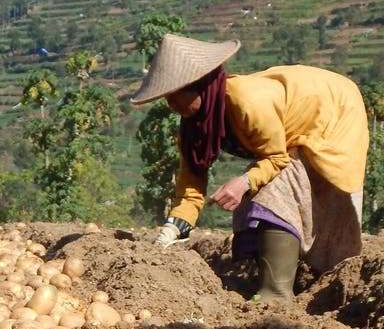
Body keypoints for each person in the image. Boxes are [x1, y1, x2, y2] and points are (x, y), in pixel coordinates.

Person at [131, 34, 369, 301]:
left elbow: (276, 159)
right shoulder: (194, 127)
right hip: (290, 135)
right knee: (257, 187)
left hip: (334, 112)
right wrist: (175, 225)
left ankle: (275, 296)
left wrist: (243, 182)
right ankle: (274, 273)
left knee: (274, 190)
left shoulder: (249, 101)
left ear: (200, 86)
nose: (171, 105)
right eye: (167, 97)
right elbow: (192, 178)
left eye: (176, 95)